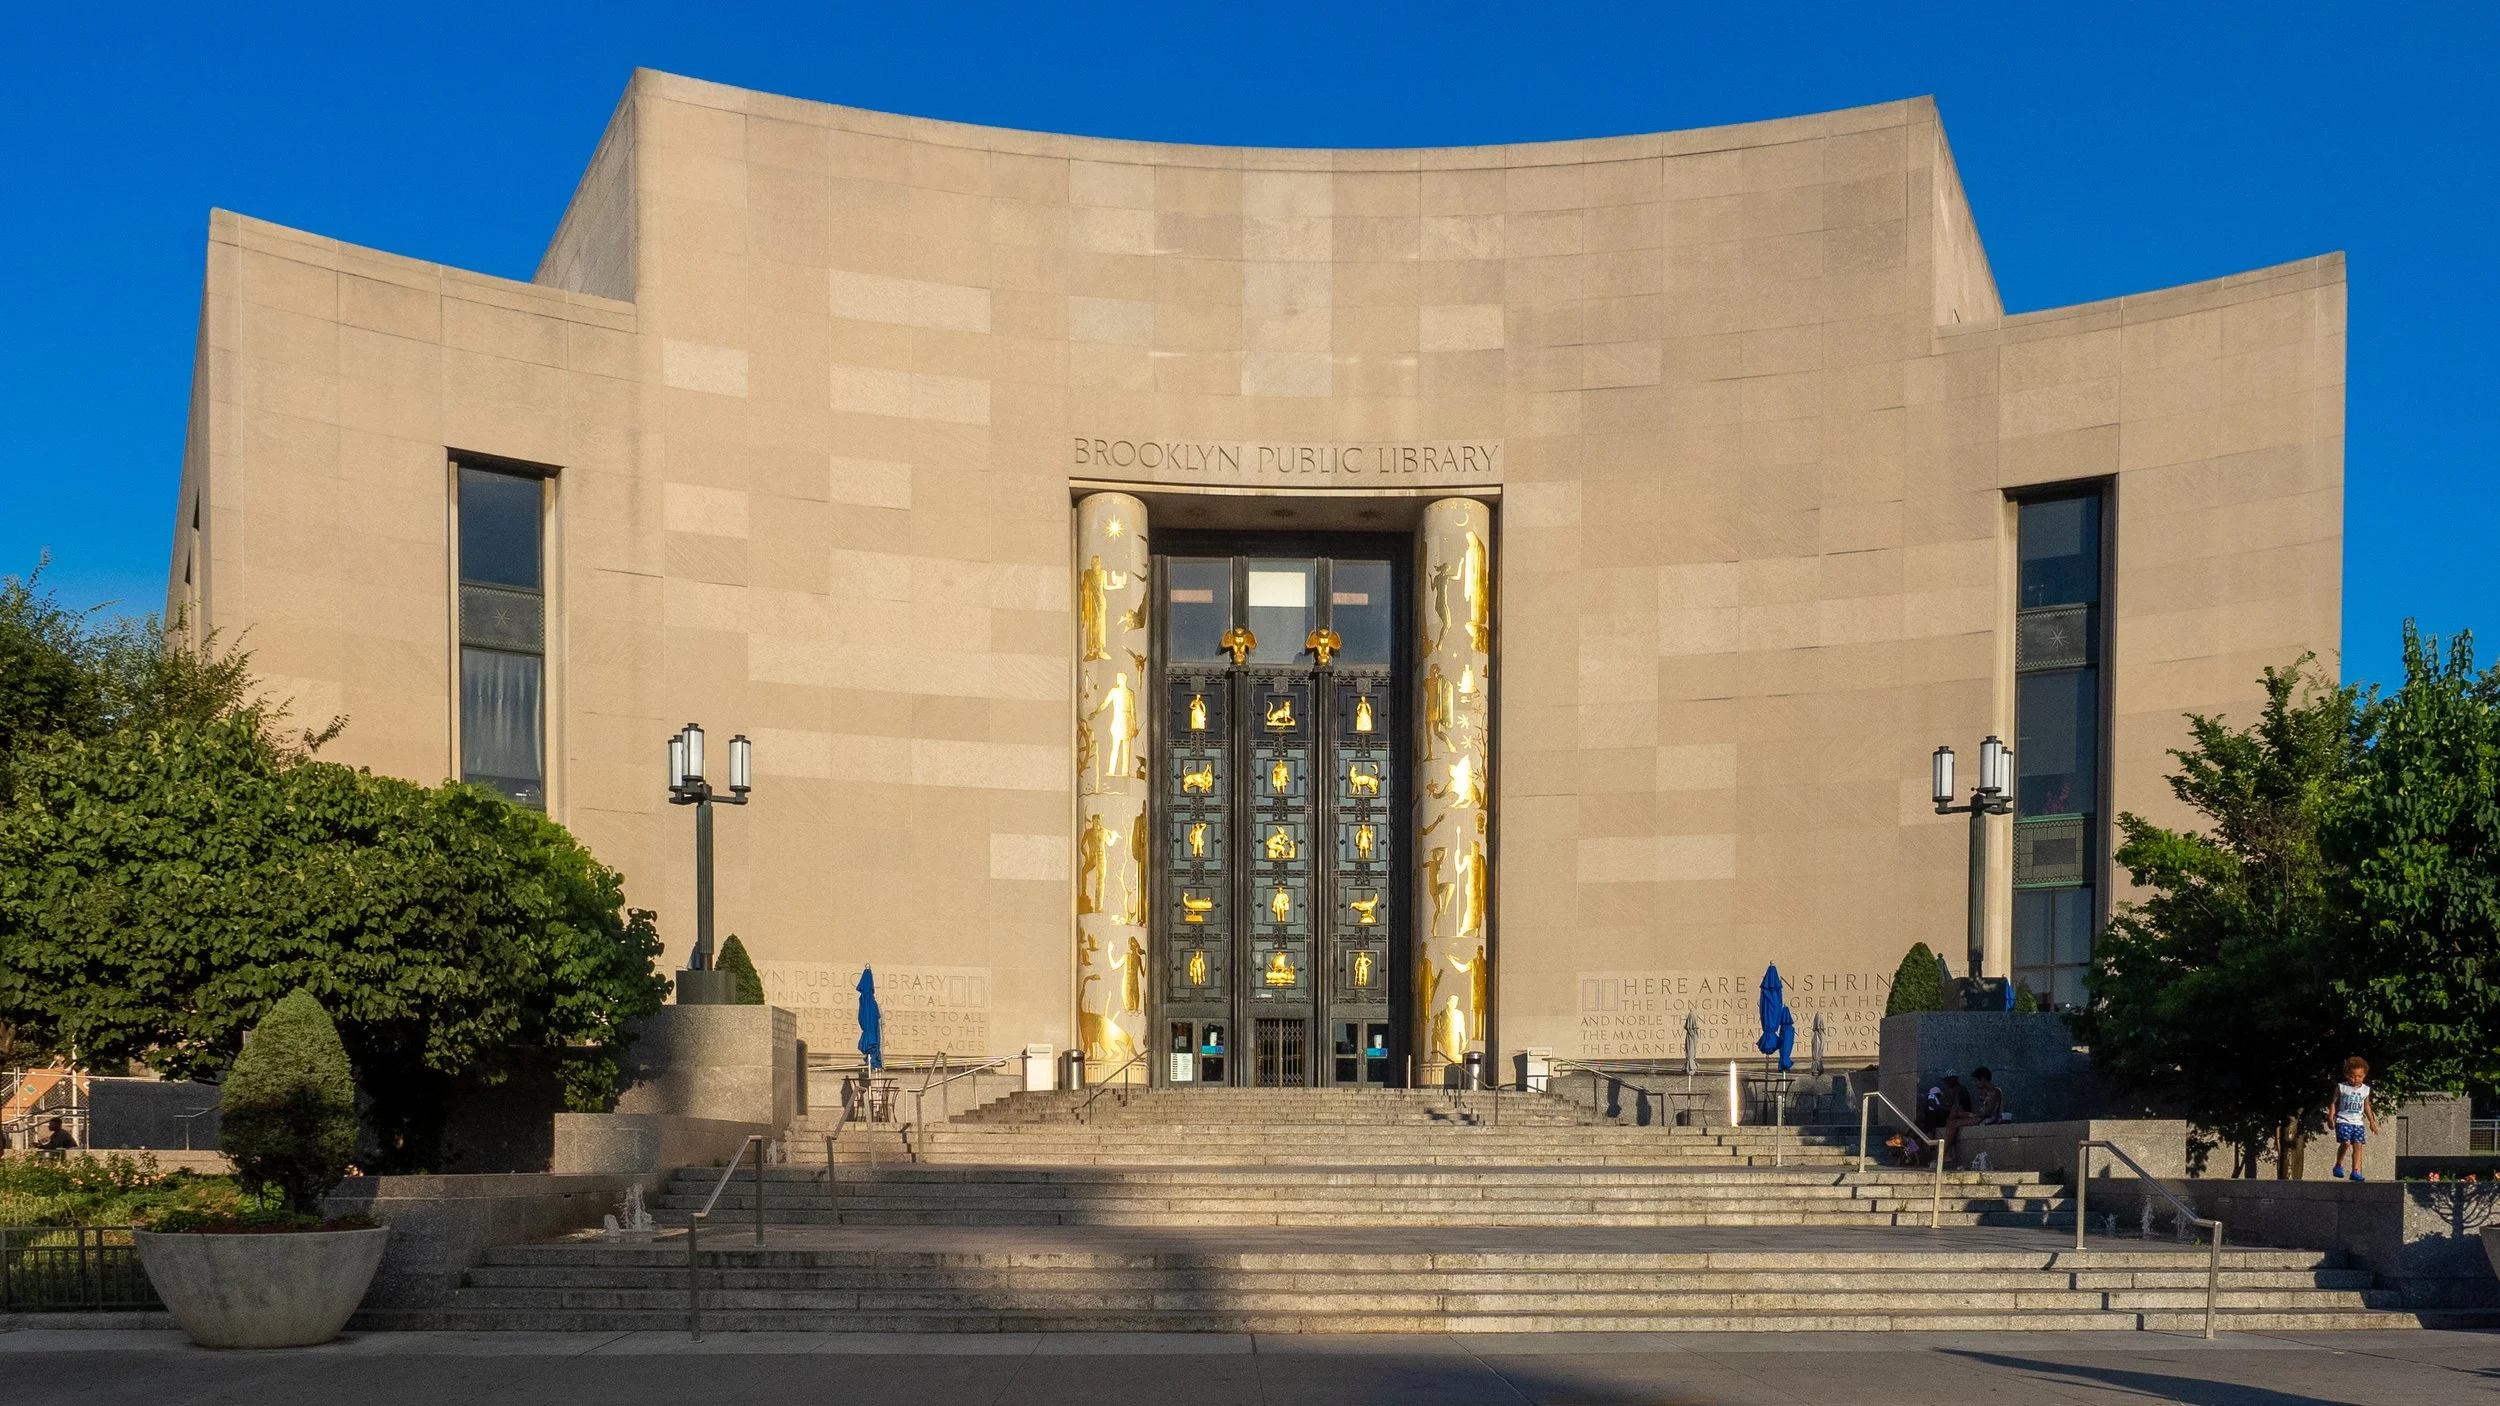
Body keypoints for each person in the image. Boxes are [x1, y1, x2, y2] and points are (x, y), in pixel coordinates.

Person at [2329, 1056, 2378, 1182]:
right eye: (2352, 1076)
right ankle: (2338, 1165)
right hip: (2343, 1119)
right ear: (2346, 1074)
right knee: (2345, 1142)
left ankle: (2356, 1171)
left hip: (2358, 1122)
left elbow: (2366, 1105)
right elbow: (2334, 1102)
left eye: (2359, 1076)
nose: (2356, 1079)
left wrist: (2371, 1122)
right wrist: (2331, 1116)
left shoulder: (2365, 1090)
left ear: (2364, 1075)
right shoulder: (2342, 1087)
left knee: (2358, 1145)